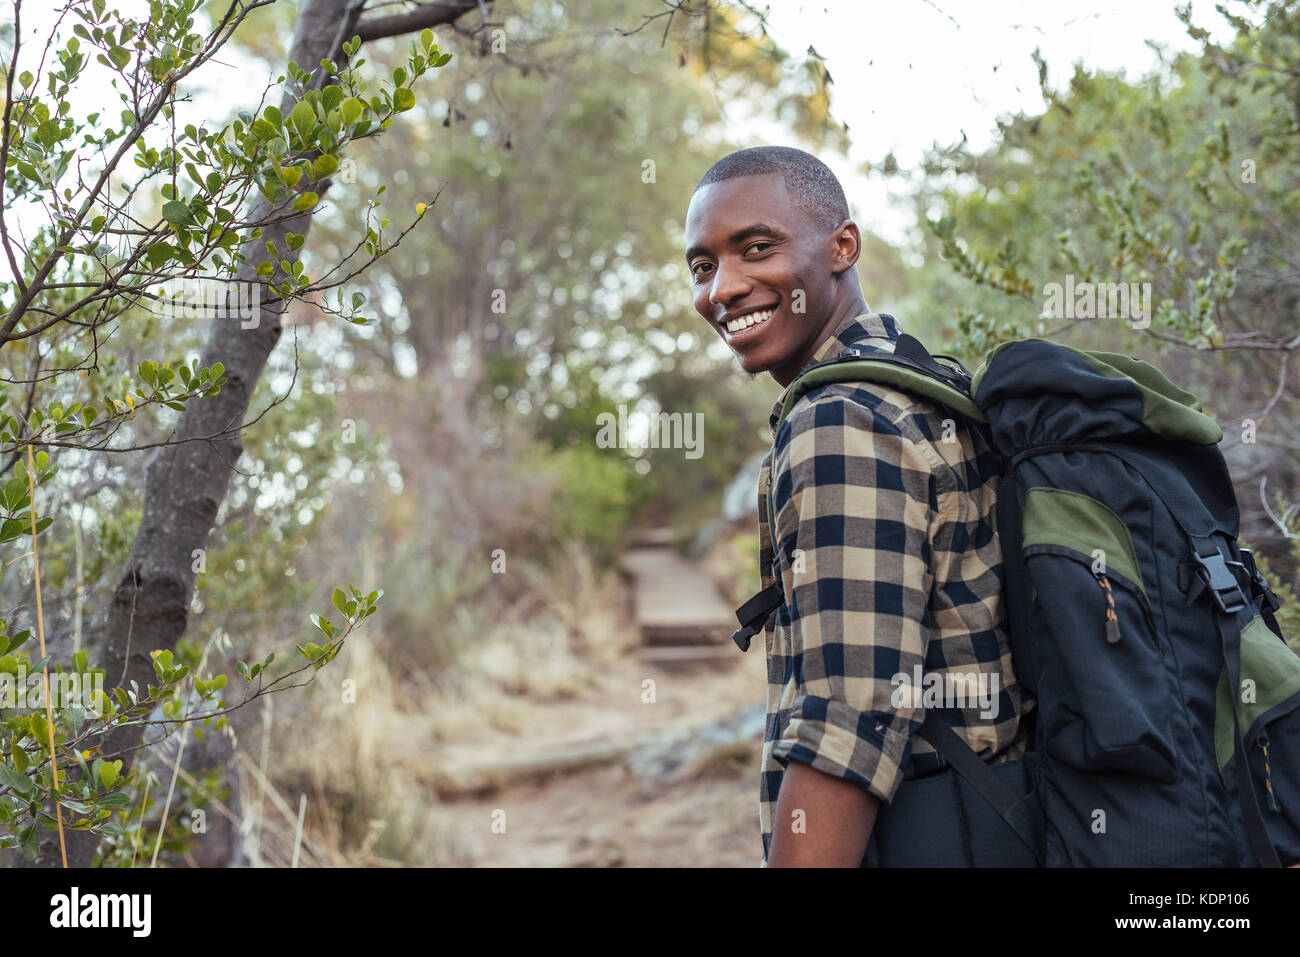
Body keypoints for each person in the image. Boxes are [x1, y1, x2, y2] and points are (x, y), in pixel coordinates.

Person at [682, 145, 1033, 867]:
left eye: (756, 249)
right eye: (703, 265)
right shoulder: (921, 384)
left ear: (843, 246)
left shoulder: (842, 419)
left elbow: (849, 721)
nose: (724, 288)